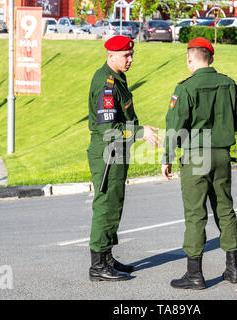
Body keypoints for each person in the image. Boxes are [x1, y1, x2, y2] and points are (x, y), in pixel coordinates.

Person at [161, 38, 237, 290]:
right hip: (221, 154)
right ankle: (233, 269)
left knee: (196, 213)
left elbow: (174, 126)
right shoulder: (229, 84)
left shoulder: (185, 88)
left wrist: (167, 157)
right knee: (225, 208)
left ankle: (194, 274)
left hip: (196, 155)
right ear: (211, 58)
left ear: (190, 59)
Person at [87, 35, 161, 282]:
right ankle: (97, 266)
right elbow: (107, 127)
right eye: (125, 56)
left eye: (131, 55)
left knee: (114, 206)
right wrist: (141, 133)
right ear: (110, 55)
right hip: (107, 153)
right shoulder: (107, 83)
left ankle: (107, 257)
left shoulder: (118, 78)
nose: (130, 59)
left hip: (118, 151)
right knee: (105, 207)